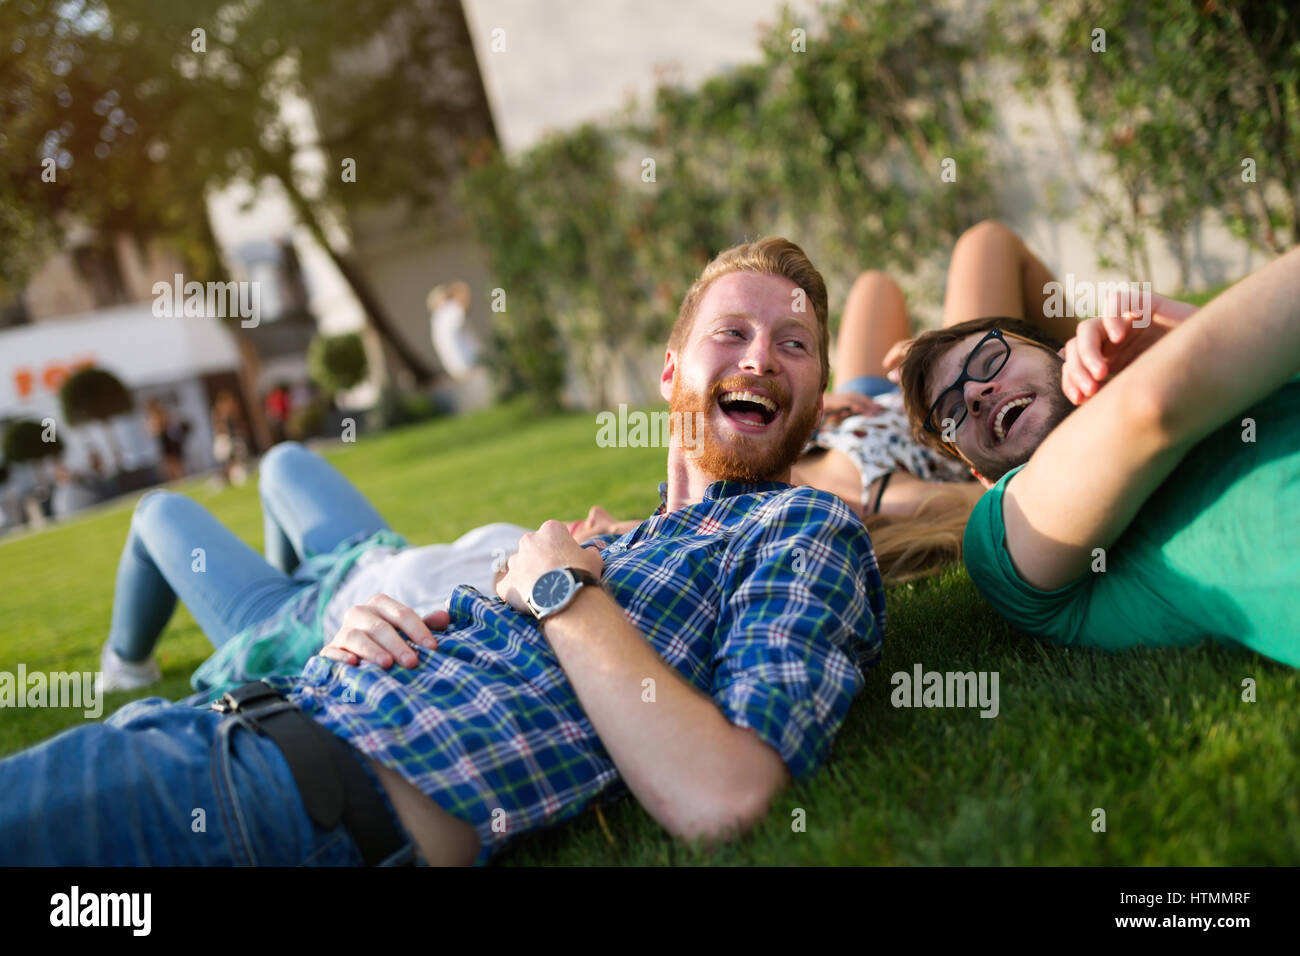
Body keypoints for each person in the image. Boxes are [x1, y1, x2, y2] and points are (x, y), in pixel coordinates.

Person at [0, 236, 886, 866]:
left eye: (796, 344)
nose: (762, 355)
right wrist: (365, 633)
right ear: (669, 373)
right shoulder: (631, 540)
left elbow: (726, 795)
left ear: (814, 401)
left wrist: (559, 593)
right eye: (731, 333)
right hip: (231, 729)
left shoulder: (803, 531)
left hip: (274, 798)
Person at [895, 225, 1300, 668]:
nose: (974, 394)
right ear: (982, 476)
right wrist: (1191, 347)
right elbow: (1152, 406)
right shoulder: (1002, 531)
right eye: (952, 412)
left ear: (1060, 351)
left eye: (992, 360)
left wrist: (1191, 326)